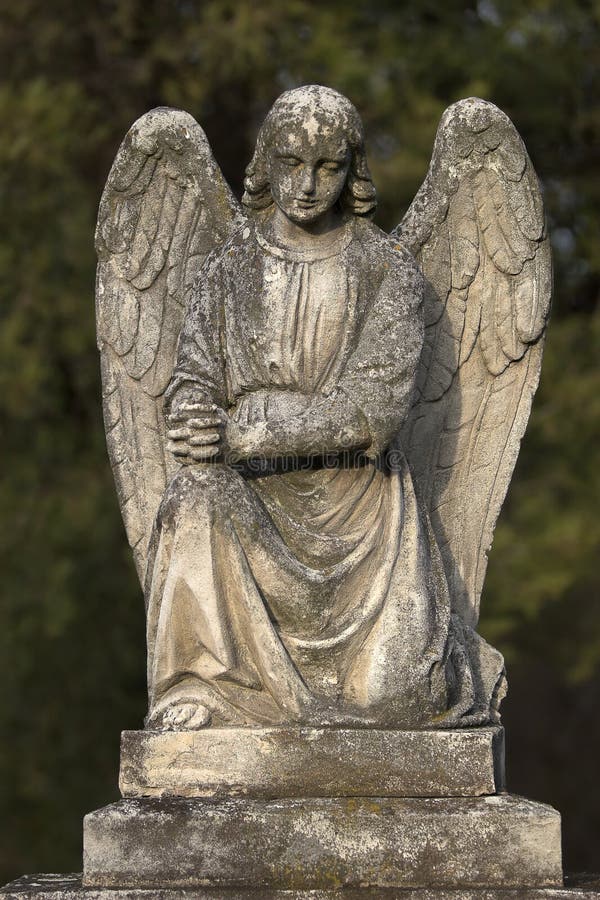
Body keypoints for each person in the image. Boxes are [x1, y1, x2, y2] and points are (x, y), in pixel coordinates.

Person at [144, 85, 503, 730]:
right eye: (291, 163)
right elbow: (192, 378)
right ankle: (199, 683)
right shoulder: (223, 271)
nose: (308, 185)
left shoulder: (388, 271)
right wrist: (195, 415)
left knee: (401, 707)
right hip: (250, 512)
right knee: (191, 498)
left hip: (365, 525)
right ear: (267, 161)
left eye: (328, 167)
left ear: (352, 171)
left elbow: (373, 411)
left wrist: (251, 429)